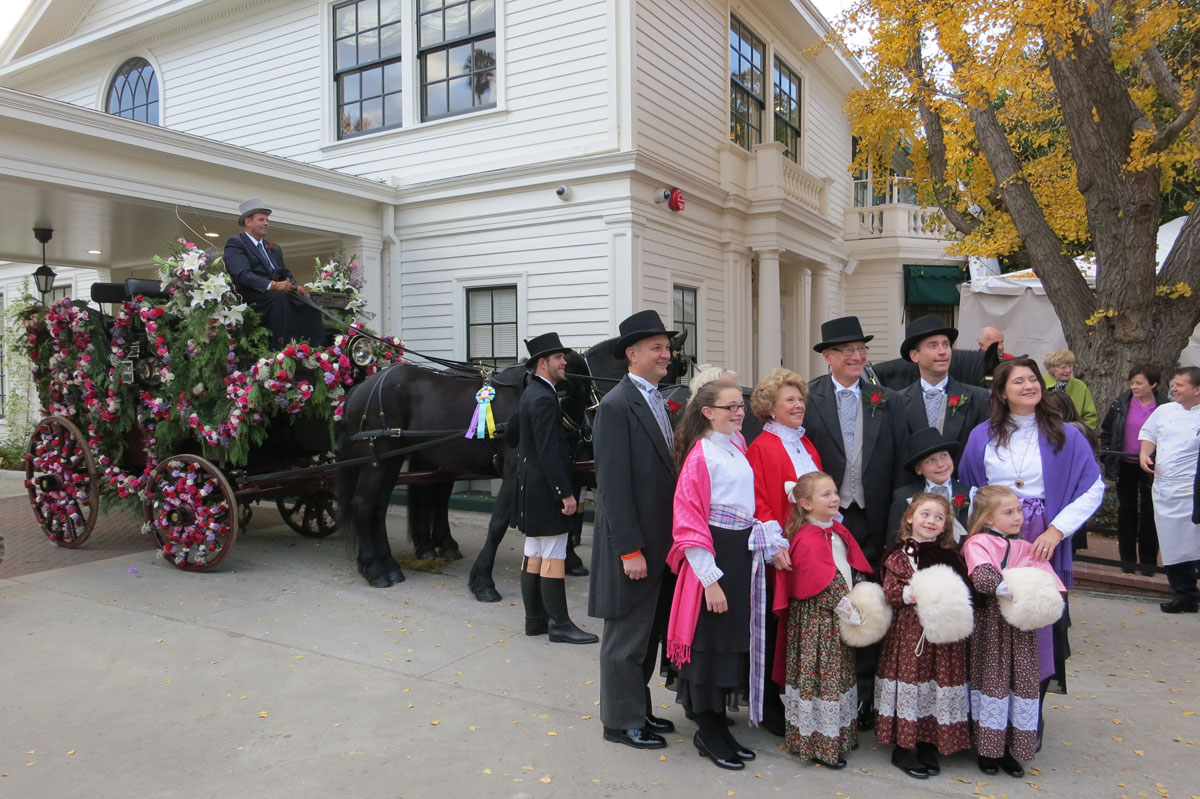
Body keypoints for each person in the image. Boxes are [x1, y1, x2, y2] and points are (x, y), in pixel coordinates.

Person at [959, 357, 1103, 738]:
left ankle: (1027, 721)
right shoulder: (981, 436)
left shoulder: (1066, 435)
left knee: (1037, 628)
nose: (1029, 386)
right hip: (992, 542)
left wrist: (1056, 531)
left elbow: (1094, 488)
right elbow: (969, 488)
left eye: (1033, 379)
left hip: (1041, 540)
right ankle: (988, 723)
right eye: (1018, 381)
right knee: (992, 628)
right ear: (1002, 392)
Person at [665, 379, 789, 770]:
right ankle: (708, 729)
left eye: (741, 405)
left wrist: (769, 541)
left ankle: (719, 724)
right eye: (730, 406)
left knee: (731, 641)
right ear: (708, 412)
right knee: (709, 643)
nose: (740, 412)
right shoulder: (701, 455)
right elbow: (688, 521)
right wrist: (710, 579)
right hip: (714, 557)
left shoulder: (736, 446)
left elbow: (748, 505)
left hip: (740, 554)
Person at [803, 315, 906, 727]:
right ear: (828, 356)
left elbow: (900, 466)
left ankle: (866, 696)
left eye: (862, 349)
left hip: (873, 517)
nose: (857, 356)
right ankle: (828, 693)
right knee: (829, 602)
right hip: (824, 523)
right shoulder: (808, 400)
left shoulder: (888, 400)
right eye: (847, 350)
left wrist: (897, 523)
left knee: (872, 603)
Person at [589, 310, 680, 750]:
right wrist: (630, 550)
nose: (667, 354)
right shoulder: (615, 406)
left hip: (661, 545)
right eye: (658, 348)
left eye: (667, 346)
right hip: (634, 547)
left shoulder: (656, 399)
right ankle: (619, 723)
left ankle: (637, 709)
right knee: (625, 638)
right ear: (632, 354)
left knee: (646, 638)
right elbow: (613, 488)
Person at [963, 485, 1066, 778]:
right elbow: (984, 578)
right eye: (1008, 512)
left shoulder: (1025, 547)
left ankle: (1010, 749)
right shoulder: (978, 543)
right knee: (992, 682)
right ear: (987, 518)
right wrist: (1020, 587)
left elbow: (1050, 583)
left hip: (1021, 632)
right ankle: (987, 749)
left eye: (1018, 510)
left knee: (1019, 684)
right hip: (991, 628)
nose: (1018, 517)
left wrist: (1037, 593)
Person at [774, 471, 873, 768]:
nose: (834, 498)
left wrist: (861, 594)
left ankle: (838, 736)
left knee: (838, 676)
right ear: (805, 503)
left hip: (838, 621)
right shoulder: (805, 538)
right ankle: (819, 745)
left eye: (834, 492)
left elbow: (852, 565)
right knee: (819, 679)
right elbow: (816, 581)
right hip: (817, 623)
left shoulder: (838, 532)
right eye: (825, 494)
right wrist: (844, 606)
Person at [745, 367, 821, 735]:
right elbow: (758, 501)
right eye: (788, 399)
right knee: (776, 629)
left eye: (799, 398)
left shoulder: (806, 444)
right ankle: (770, 703)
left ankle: (795, 696)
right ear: (770, 409)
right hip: (781, 551)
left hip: (809, 549)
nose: (797, 404)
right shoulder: (761, 446)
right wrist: (774, 545)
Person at [874, 492, 971, 779]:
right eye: (925, 514)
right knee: (912, 682)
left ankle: (928, 740)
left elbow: (962, 591)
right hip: (910, 633)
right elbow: (891, 592)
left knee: (936, 683)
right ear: (910, 518)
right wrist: (917, 592)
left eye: (938, 517)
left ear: (946, 526)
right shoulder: (900, 554)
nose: (931, 521)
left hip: (942, 637)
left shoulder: (951, 557)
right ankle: (904, 747)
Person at [513, 332, 598, 645]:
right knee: (552, 553)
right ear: (543, 363)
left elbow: (512, 434)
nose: (565, 362)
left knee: (533, 552)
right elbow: (550, 451)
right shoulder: (546, 398)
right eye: (560, 358)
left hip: (528, 488)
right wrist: (565, 492)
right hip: (547, 490)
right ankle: (559, 624)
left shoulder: (529, 392)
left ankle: (535, 620)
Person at [1138, 366, 1200, 613]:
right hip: (1164, 489)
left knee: (1194, 543)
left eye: (1179, 385)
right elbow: (1148, 433)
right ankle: (1184, 594)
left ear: (1197, 390)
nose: (1173, 389)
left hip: (1192, 492)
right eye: (1173, 384)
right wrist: (1145, 453)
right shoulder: (1164, 411)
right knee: (1172, 544)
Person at [223, 199, 324, 347]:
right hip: (253, 295)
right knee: (280, 298)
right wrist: (272, 285)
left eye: (267, 220)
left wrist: (296, 286)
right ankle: (282, 346)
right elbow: (242, 274)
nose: (266, 223)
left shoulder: (272, 247)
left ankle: (313, 346)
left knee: (308, 302)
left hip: (276, 292)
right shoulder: (236, 243)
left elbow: (284, 272)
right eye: (261, 219)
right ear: (248, 222)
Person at [1100, 364, 1166, 575]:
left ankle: (1147, 563)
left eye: (1139, 383)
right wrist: (1108, 454)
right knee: (1126, 512)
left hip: (1153, 467)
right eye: (1132, 383)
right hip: (1125, 464)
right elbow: (1107, 430)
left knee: (1150, 512)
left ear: (1153, 384)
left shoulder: (1165, 406)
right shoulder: (1121, 402)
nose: (1134, 387)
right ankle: (1127, 562)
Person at [897, 315, 989, 458]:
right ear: (915, 356)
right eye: (933, 346)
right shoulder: (898, 402)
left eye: (946, 344)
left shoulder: (978, 399)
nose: (943, 351)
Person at [886, 427, 971, 545]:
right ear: (918, 469)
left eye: (944, 455)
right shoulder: (903, 497)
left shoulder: (969, 494)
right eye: (931, 460)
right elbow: (894, 540)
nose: (941, 464)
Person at [1042, 349, 1098, 430]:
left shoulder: (1080, 386)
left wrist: (1082, 432)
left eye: (1070, 366)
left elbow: (1090, 416)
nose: (1068, 371)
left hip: (1075, 434)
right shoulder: (1040, 384)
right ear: (1052, 369)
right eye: (1063, 367)